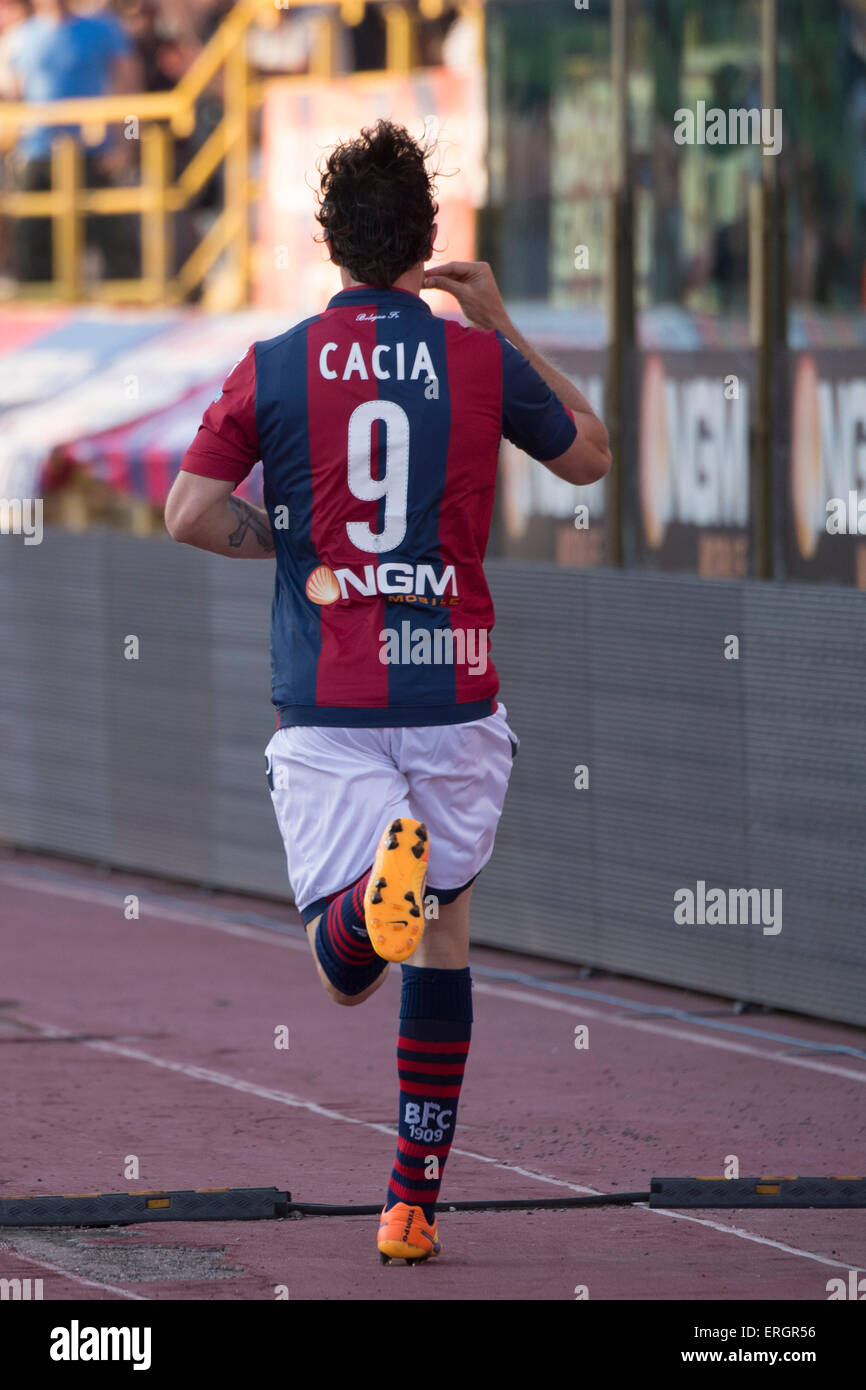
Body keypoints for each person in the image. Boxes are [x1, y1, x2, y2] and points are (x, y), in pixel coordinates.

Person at [164, 119, 610, 1264]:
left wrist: (292, 543)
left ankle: (371, 899)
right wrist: (496, 321)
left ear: (327, 242)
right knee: (447, 933)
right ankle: (410, 1202)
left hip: (331, 694)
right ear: (425, 246)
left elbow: (186, 512)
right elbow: (589, 457)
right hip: (455, 699)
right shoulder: (471, 358)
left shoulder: (272, 363)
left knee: (347, 965)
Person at [4, 0, 141, 282]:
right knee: (33, 247)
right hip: (37, 156)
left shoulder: (103, 29)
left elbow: (131, 91)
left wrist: (128, 145)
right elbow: (14, 99)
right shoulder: (19, 38)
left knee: (113, 244)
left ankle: (126, 306)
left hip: (94, 153)